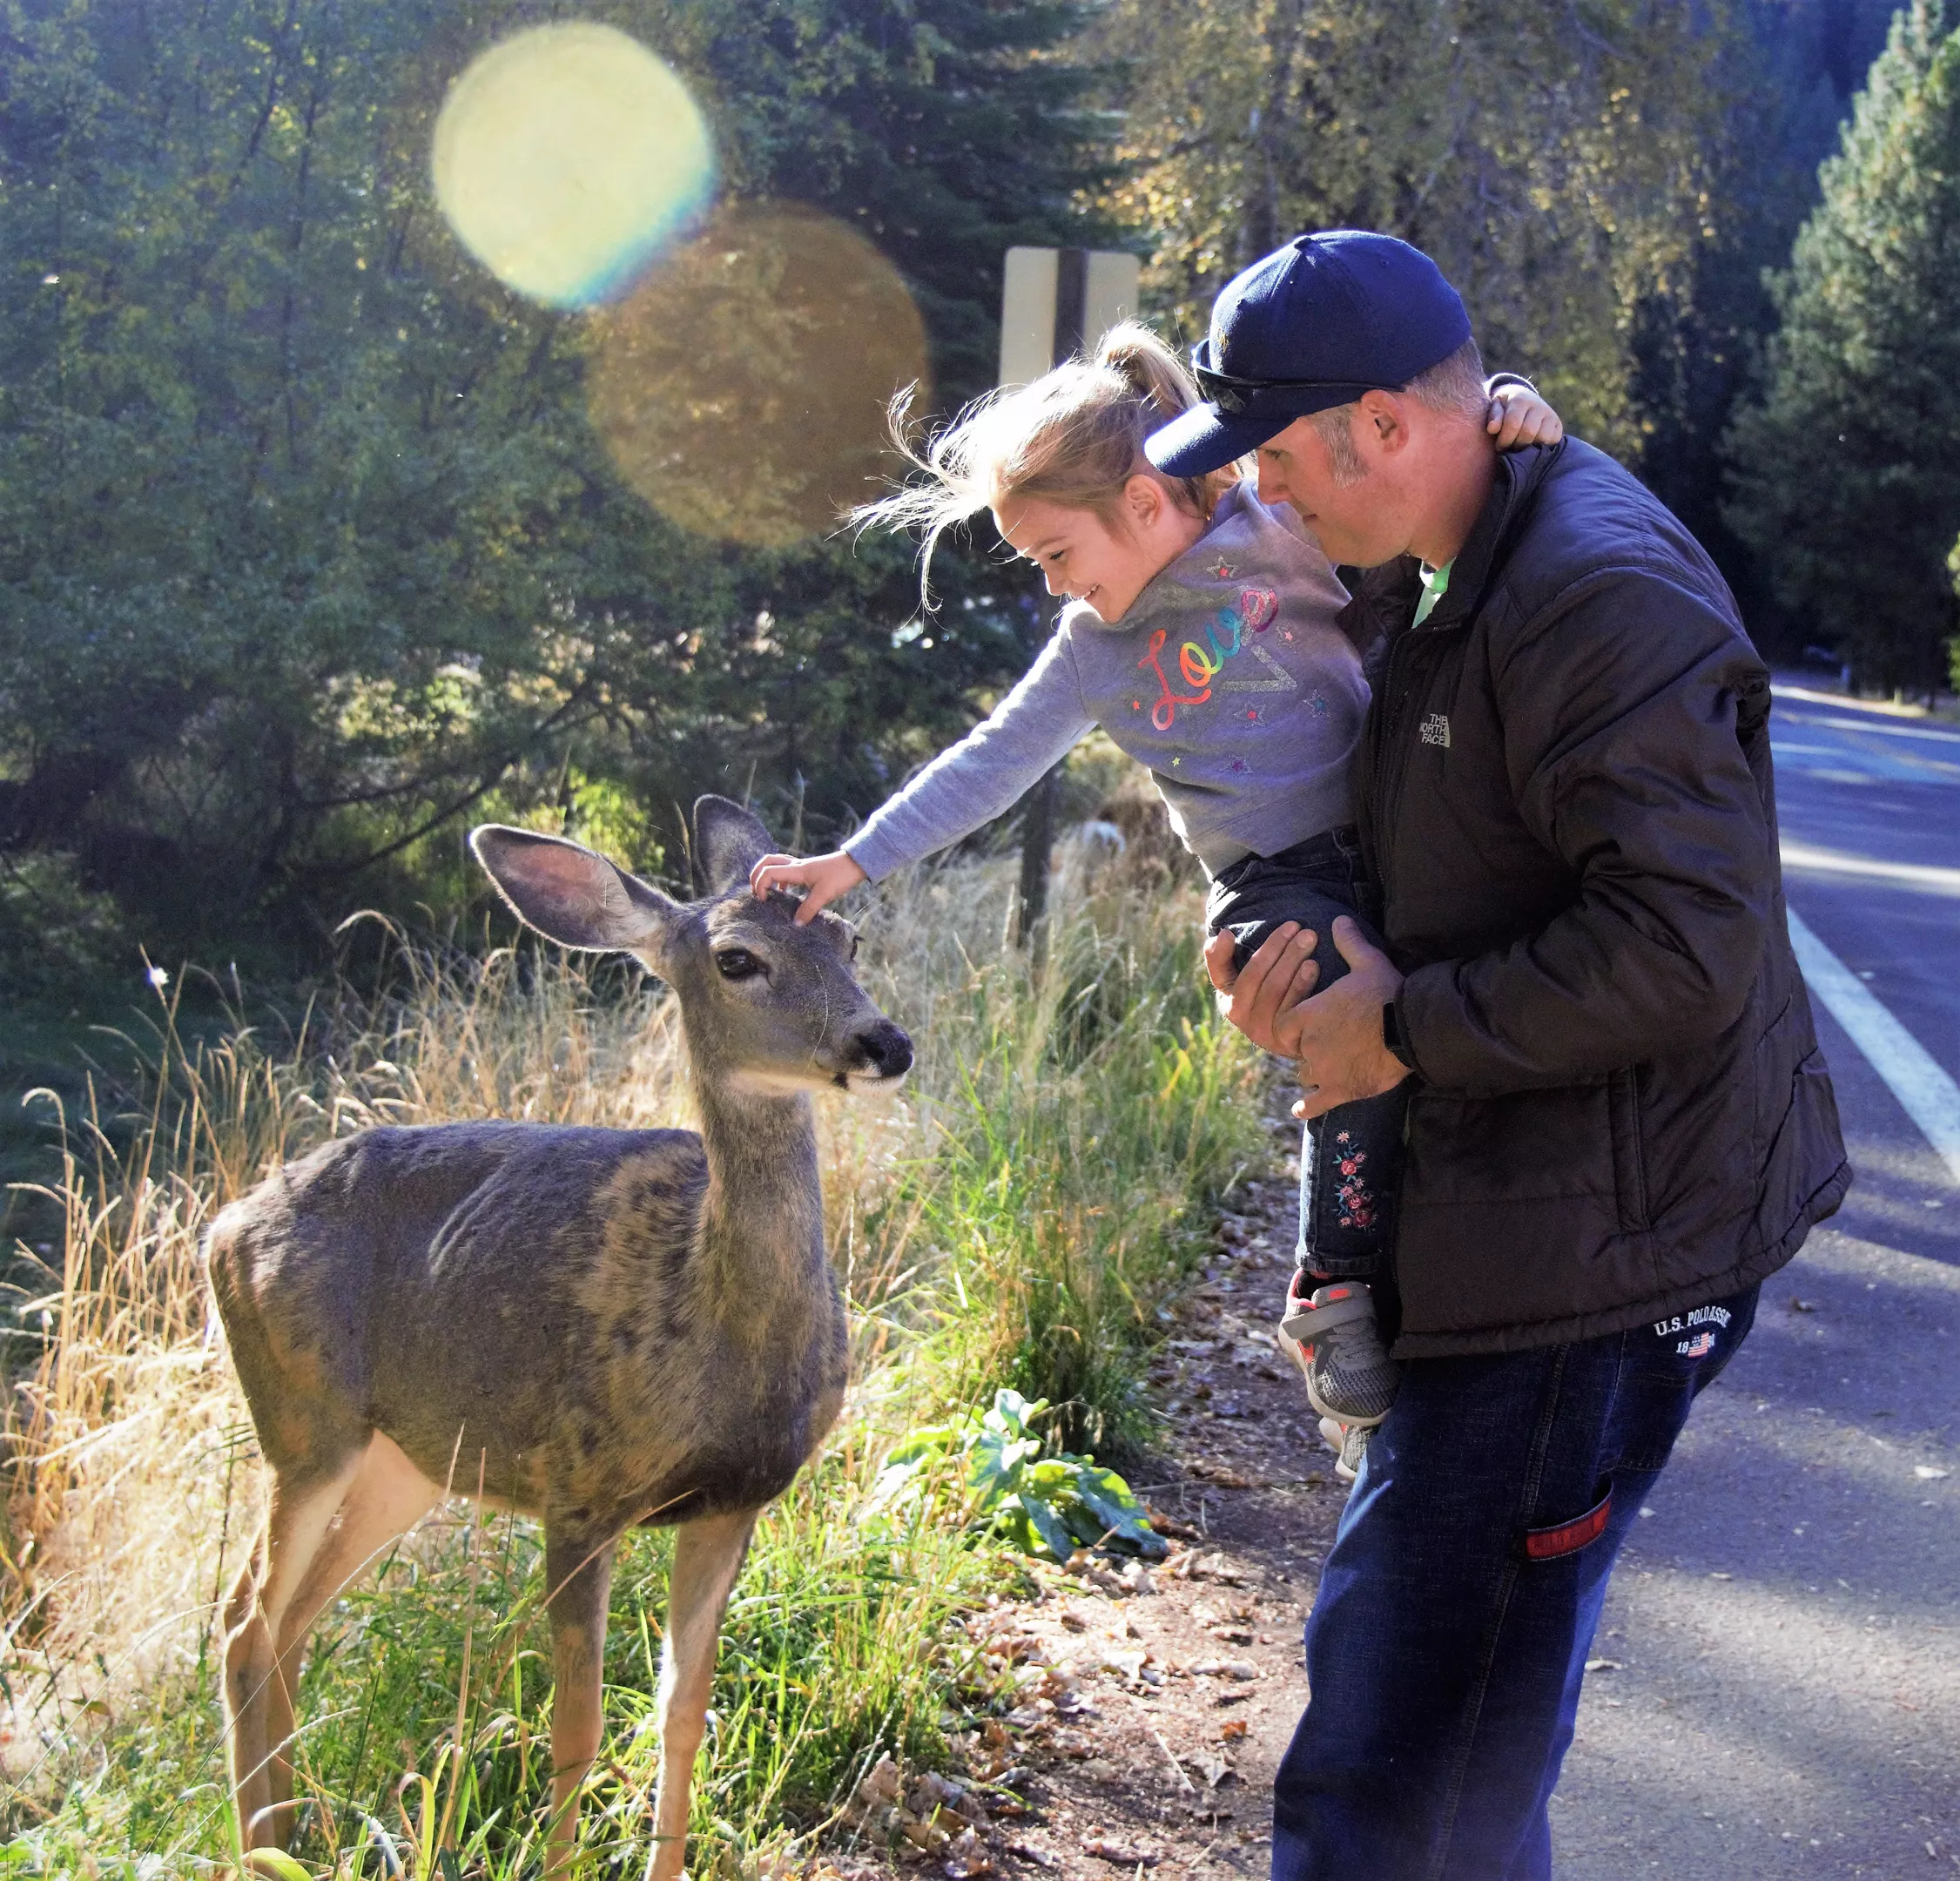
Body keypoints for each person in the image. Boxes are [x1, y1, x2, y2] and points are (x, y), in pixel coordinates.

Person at [1145, 228, 1852, 1881]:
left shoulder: (1592, 597)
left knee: (1402, 1772)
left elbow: (1684, 948)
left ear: (1386, 426)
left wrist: (1392, 1029)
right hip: (1529, 1218)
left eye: (1272, 455)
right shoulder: (1447, 543)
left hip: (1596, 1263)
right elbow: (1430, 832)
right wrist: (1302, 955)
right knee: (1445, 1751)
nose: (1254, 491)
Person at [747, 322, 1560, 1440]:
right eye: (1037, 566)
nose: (1053, 585)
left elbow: (1406, 482)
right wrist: (854, 860)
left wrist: (1508, 404)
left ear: (1140, 502)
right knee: (1343, 1014)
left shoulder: (1275, 522)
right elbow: (989, 761)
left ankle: (1465, 1270)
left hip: (1392, 832)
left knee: (1442, 1021)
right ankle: (1333, 1287)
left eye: (1054, 553)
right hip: (1274, 881)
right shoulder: (1091, 649)